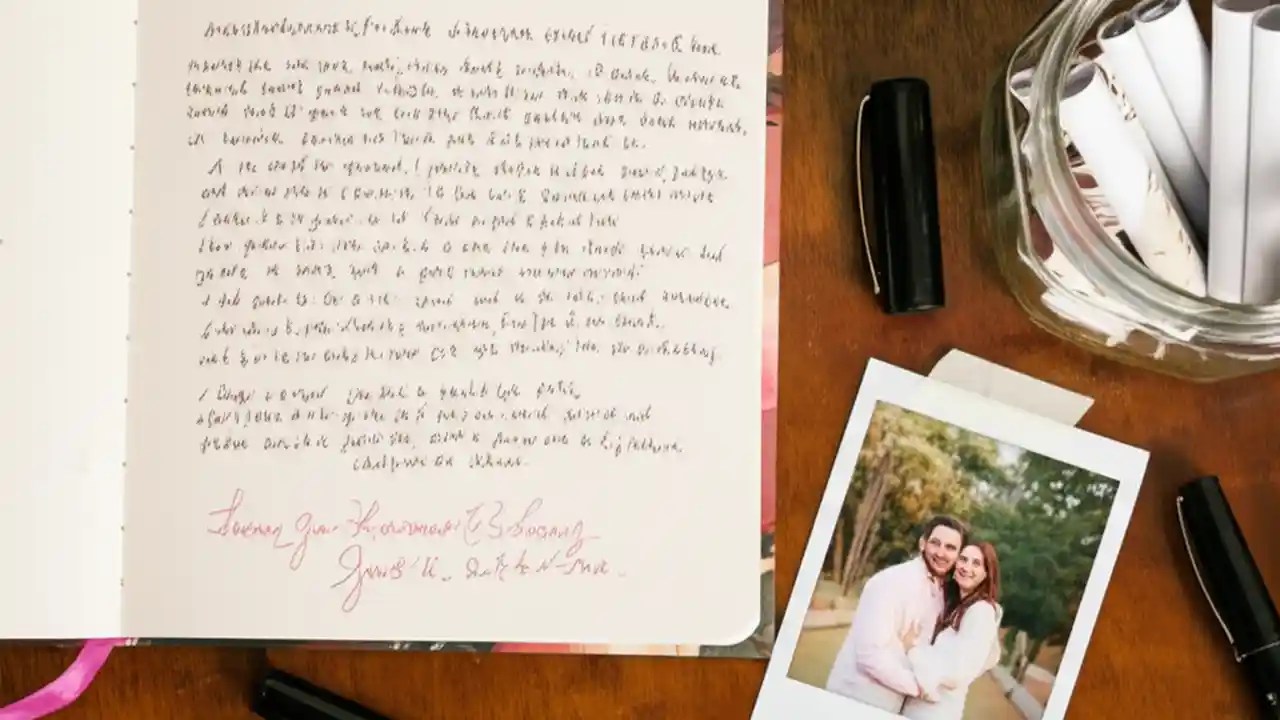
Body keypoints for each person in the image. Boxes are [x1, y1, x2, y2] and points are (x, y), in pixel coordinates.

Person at [825, 516, 968, 712]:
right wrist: (919, 687)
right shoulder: (891, 582)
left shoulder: (941, 595)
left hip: (890, 705)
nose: (941, 553)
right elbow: (870, 654)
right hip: (856, 698)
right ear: (922, 544)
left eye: (951, 548)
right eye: (935, 543)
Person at [899, 541, 1004, 720]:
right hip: (919, 706)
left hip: (936, 712)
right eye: (963, 559)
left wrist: (912, 649)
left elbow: (958, 672)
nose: (966, 567)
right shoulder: (957, 607)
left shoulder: (981, 612)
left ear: (987, 573)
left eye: (976, 563)